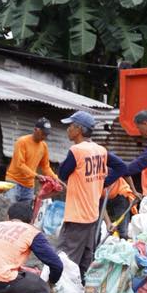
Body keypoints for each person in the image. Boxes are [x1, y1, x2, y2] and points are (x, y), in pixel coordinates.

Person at [55, 110, 125, 278]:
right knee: (85, 261)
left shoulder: (76, 150)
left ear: (79, 129)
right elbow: (122, 167)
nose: (68, 129)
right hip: (93, 217)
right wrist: (102, 182)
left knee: (65, 260)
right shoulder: (100, 150)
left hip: (77, 217)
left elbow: (62, 174)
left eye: (70, 126)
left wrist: (100, 182)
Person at [4, 118, 57, 204]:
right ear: (36, 129)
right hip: (14, 182)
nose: (44, 137)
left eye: (46, 135)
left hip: (29, 186)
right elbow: (20, 164)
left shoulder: (43, 146)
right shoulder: (22, 142)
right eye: (43, 134)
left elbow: (45, 167)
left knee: (25, 214)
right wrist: (36, 175)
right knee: (10, 210)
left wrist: (56, 179)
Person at [105, 175, 139, 239]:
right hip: (104, 197)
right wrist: (108, 222)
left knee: (123, 231)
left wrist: (134, 192)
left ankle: (123, 240)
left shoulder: (112, 166)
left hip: (120, 193)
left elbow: (126, 173)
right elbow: (100, 205)